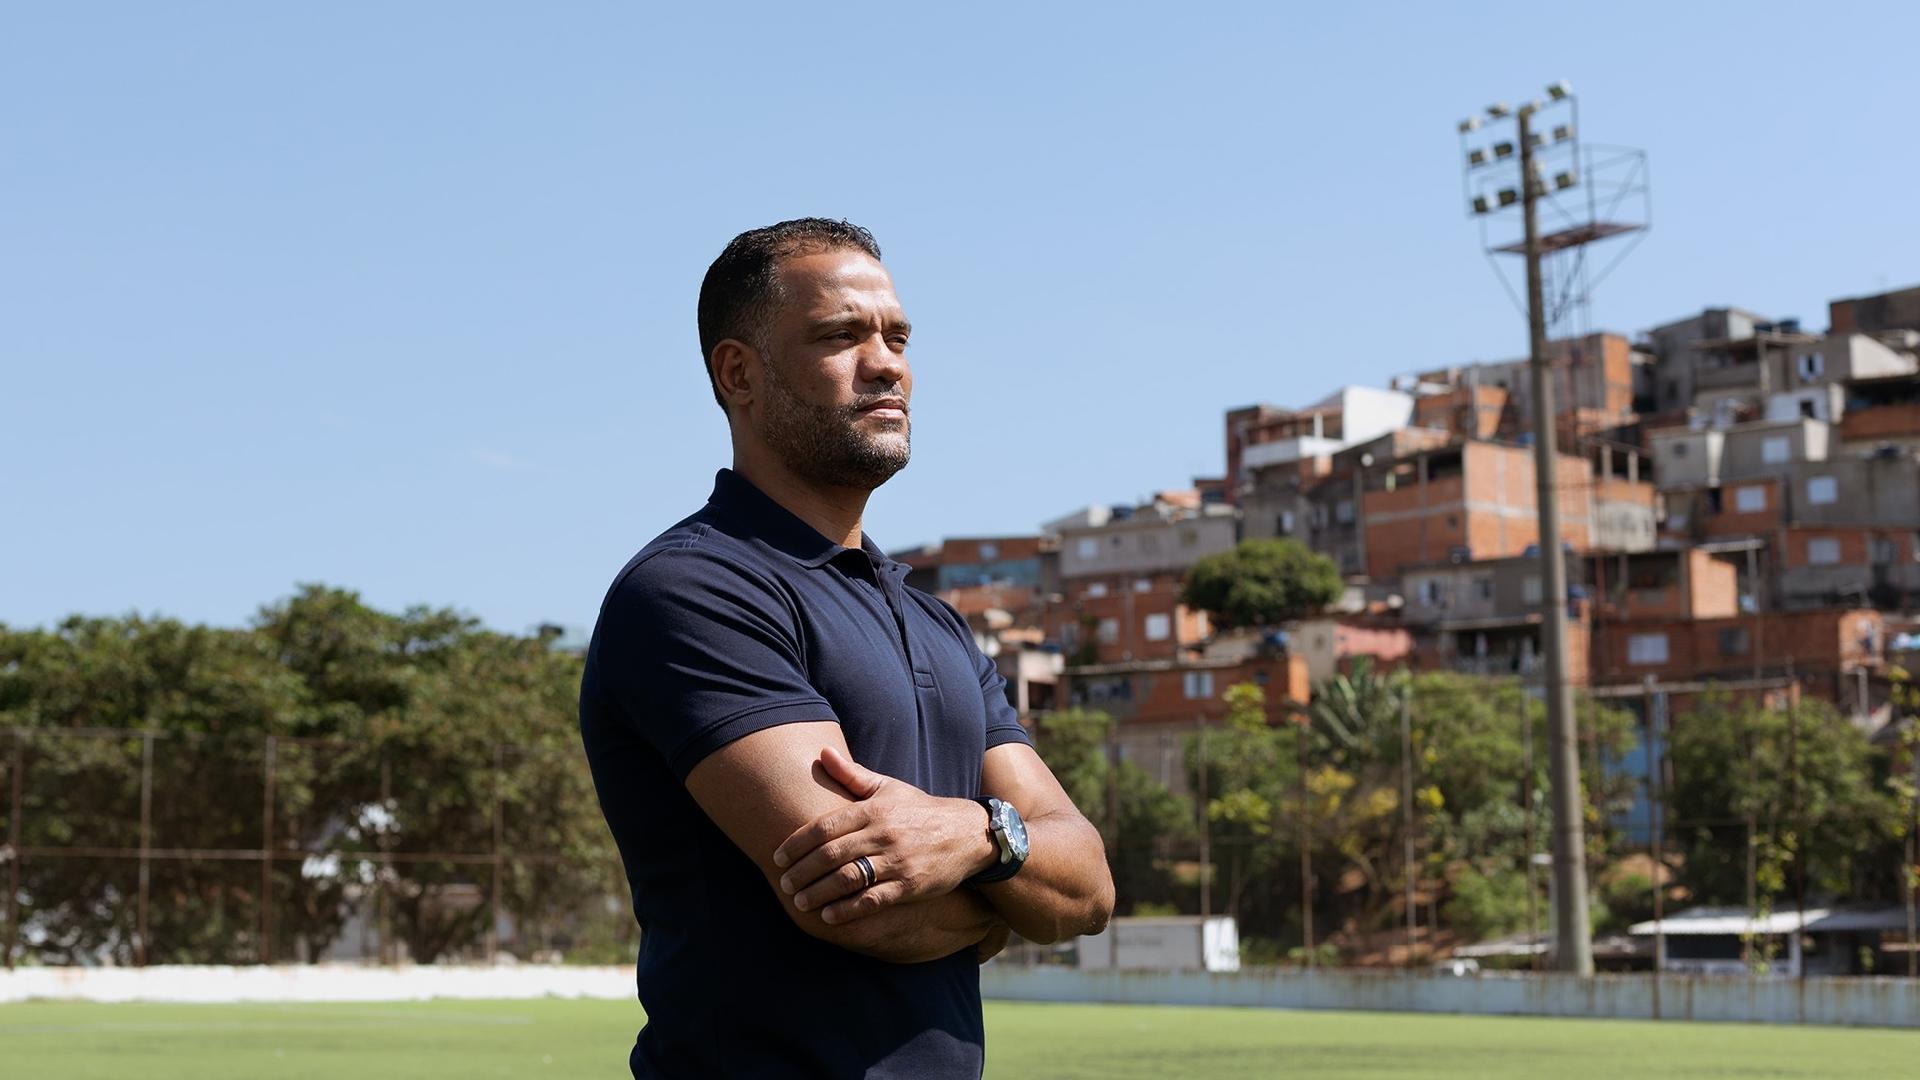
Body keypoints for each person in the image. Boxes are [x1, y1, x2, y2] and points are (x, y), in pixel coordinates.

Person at [579, 218, 1115, 1078]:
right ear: (739, 373)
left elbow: (1087, 886)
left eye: (896, 336)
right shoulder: (693, 589)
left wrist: (976, 839)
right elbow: (866, 908)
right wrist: (1012, 896)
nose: (886, 362)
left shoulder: (935, 622)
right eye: (839, 336)